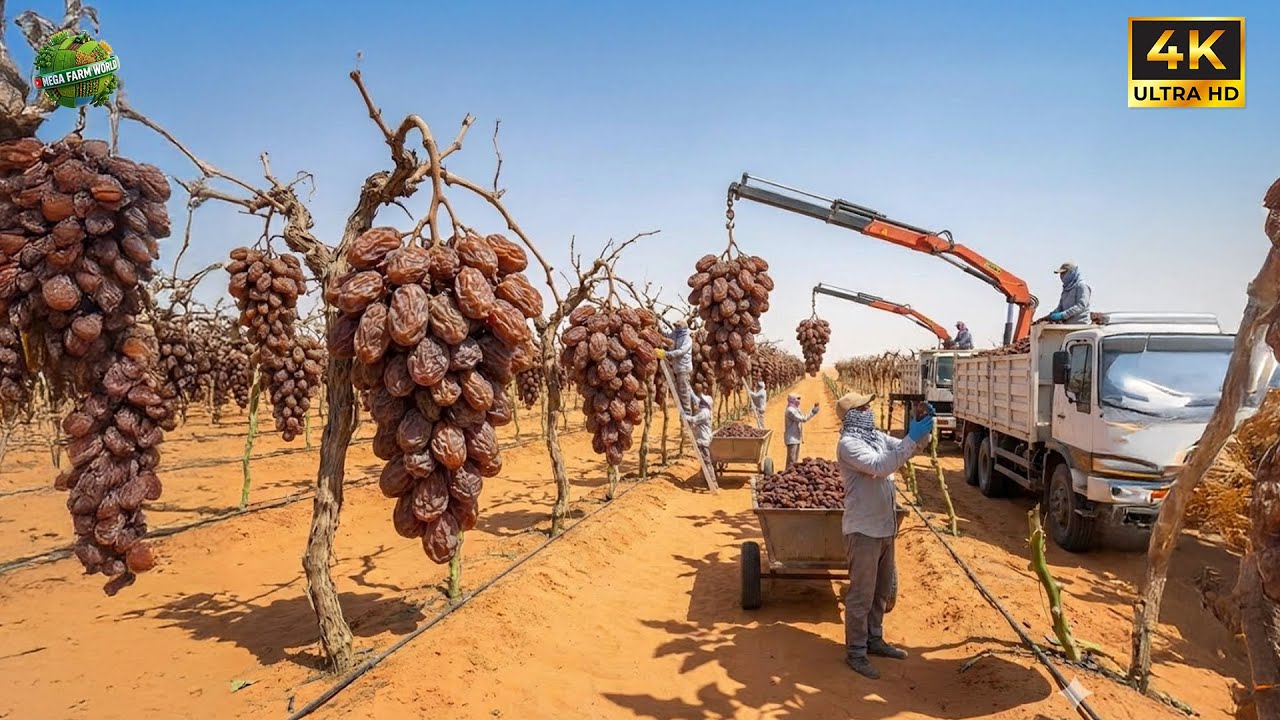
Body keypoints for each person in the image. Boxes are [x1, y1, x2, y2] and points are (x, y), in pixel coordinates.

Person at [835, 391, 935, 679]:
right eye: (864, 408)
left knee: (880, 592)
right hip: (863, 530)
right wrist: (910, 437)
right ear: (854, 414)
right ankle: (856, 652)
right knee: (861, 596)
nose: (870, 410)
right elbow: (882, 466)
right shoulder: (849, 445)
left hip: (885, 528)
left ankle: (874, 639)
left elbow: (909, 449)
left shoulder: (876, 437)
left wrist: (920, 427)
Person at [656, 320, 696, 414]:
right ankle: (696, 403)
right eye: (676, 326)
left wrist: (666, 354)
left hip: (683, 367)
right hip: (678, 367)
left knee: (683, 391)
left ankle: (687, 413)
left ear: (683, 328)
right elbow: (667, 335)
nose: (676, 328)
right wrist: (658, 324)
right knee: (687, 387)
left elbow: (681, 351)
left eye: (678, 327)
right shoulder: (676, 334)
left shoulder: (687, 339)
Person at [682, 394, 716, 484]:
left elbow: (694, 419)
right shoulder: (705, 410)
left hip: (703, 440)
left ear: (705, 403)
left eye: (702, 400)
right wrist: (690, 391)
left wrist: (684, 416)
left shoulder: (704, 412)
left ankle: (712, 481)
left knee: (706, 461)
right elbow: (696, 399)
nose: (700, 401)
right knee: (705, 460)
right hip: (703, 439)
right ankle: (706, 479)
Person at [783, 394, 820, 470]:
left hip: (796, 437)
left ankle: (791, 475)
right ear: (792, 400)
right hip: (791, 439)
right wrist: (812, 412)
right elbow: (803, 419)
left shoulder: (796, 409)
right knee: (791, 461)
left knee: (794, 460)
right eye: (797, 399)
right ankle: (787, 475)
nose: (799, 401)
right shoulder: (790, 410)